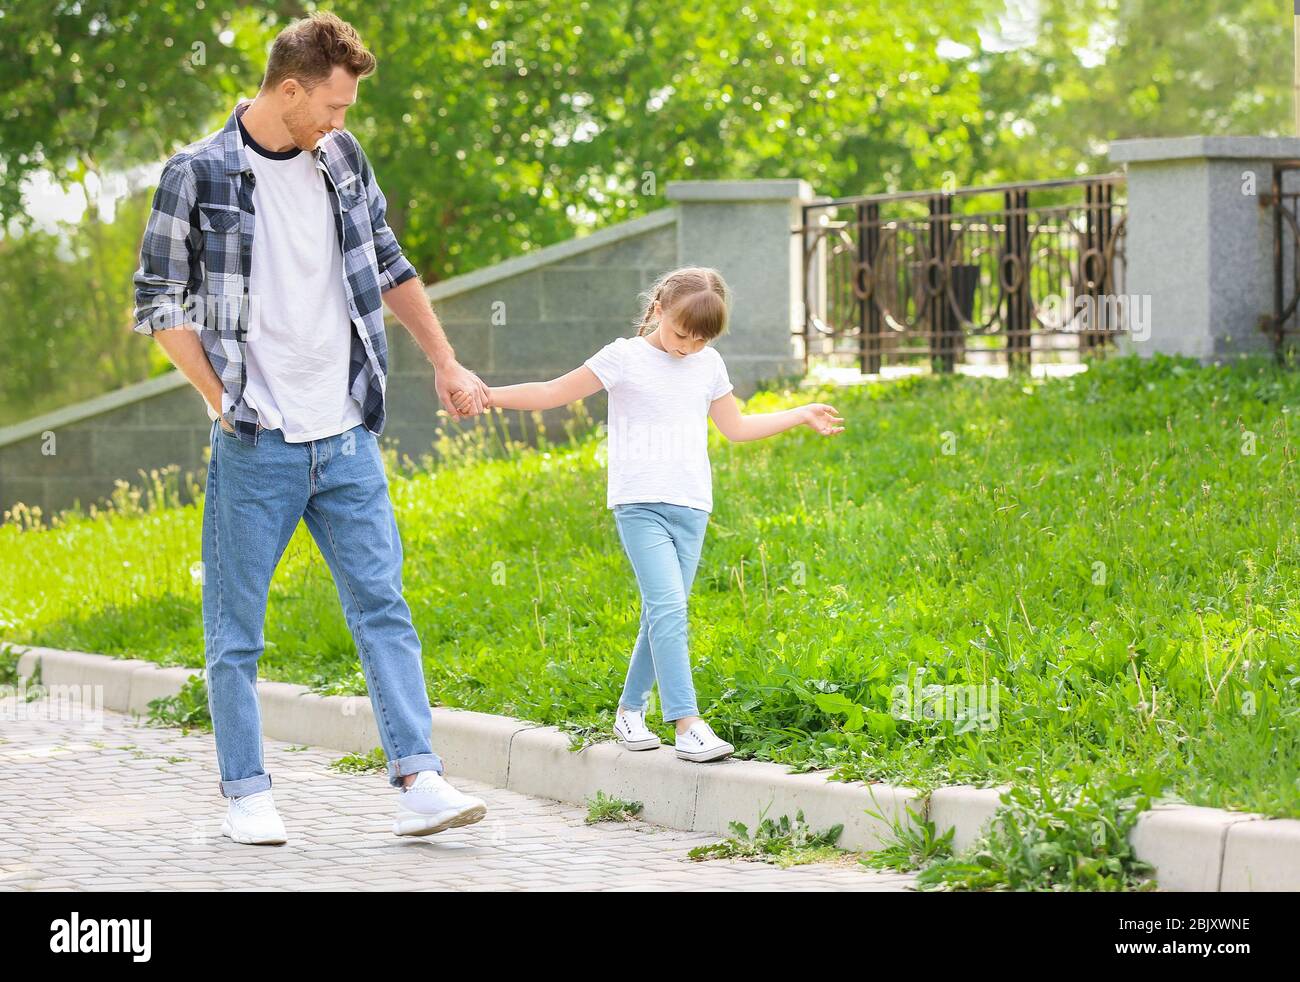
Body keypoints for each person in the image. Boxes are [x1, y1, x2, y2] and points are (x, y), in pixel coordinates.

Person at [132, 13, 490, 844]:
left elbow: (390, 262)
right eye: (331, 105)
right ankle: (248, 792)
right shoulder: (201, 173)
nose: (340, 122)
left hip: (346, 431)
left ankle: (419, 778)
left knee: (383, 607)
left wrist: (445, 360)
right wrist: (221, 397)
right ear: (287, 89)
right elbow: (159, 302)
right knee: (235, 631)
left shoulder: (341, 161)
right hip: (257, 437)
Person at [453, 266, 845, 762]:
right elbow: (552, 392)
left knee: (662, 612)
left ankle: (629, 711)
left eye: (701, 340)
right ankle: (687, 723)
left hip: (693, 506)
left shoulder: (709, 366)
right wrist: (488, 396)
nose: (688, 347)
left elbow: (737, 427)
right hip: (640, 505)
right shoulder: (624, 358)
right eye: (682, 333)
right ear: (659, 309)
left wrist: (800, 413)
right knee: (669, 609)